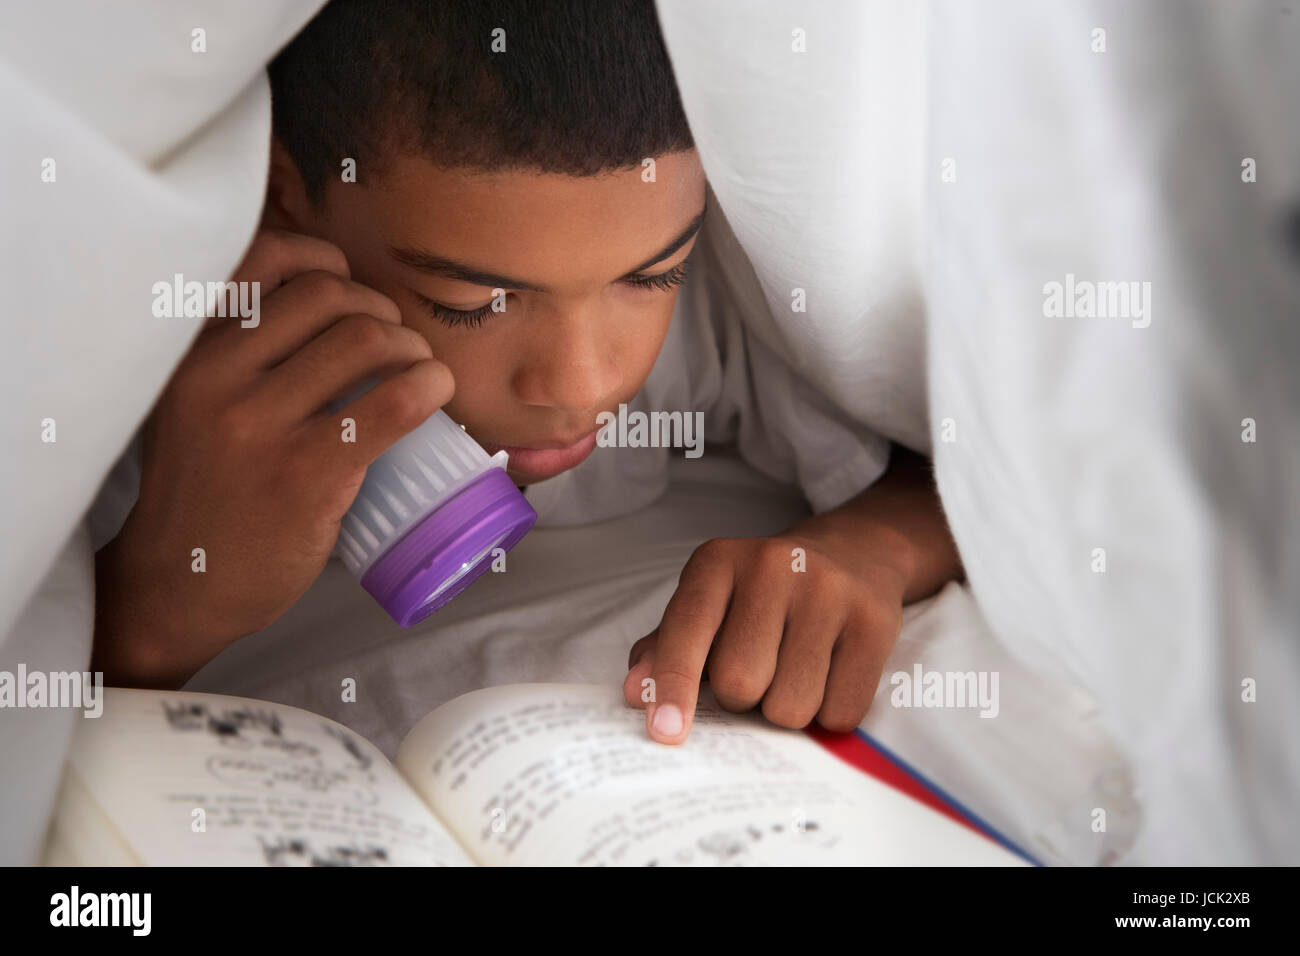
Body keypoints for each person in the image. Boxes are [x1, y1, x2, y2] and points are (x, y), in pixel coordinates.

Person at [92, 0, 962, 744]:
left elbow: (989, 473)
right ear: (286, 190)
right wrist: (152, 615)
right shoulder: (147, 383)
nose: (583, 385)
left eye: (653, 274)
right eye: (471, 301)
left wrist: (870, 547)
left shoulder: (731, 309)